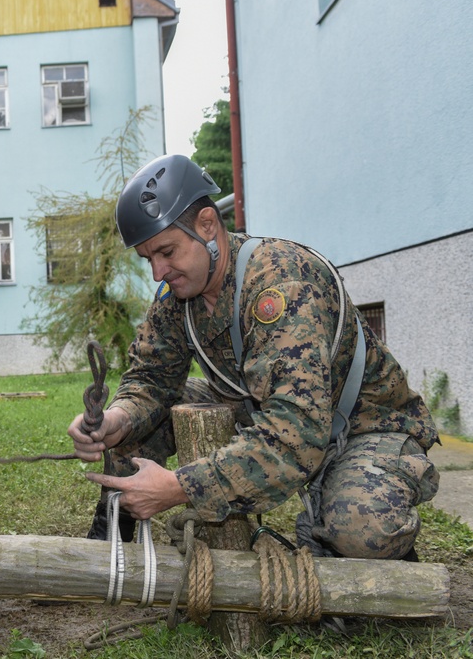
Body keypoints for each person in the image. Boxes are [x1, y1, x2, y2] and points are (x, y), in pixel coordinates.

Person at [68, 153, 439, 564]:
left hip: (362, 428)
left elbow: (294, 432)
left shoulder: (282, 285)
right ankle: (114, 528)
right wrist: (116, 419)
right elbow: (151, 379)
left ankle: (358, 535)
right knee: (140, 418)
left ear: (207, 225)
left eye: (167, 252)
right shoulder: (179, 297)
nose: (158, 272)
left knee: (364, 528)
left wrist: (180, 487)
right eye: (148, 259)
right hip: (266, 409)